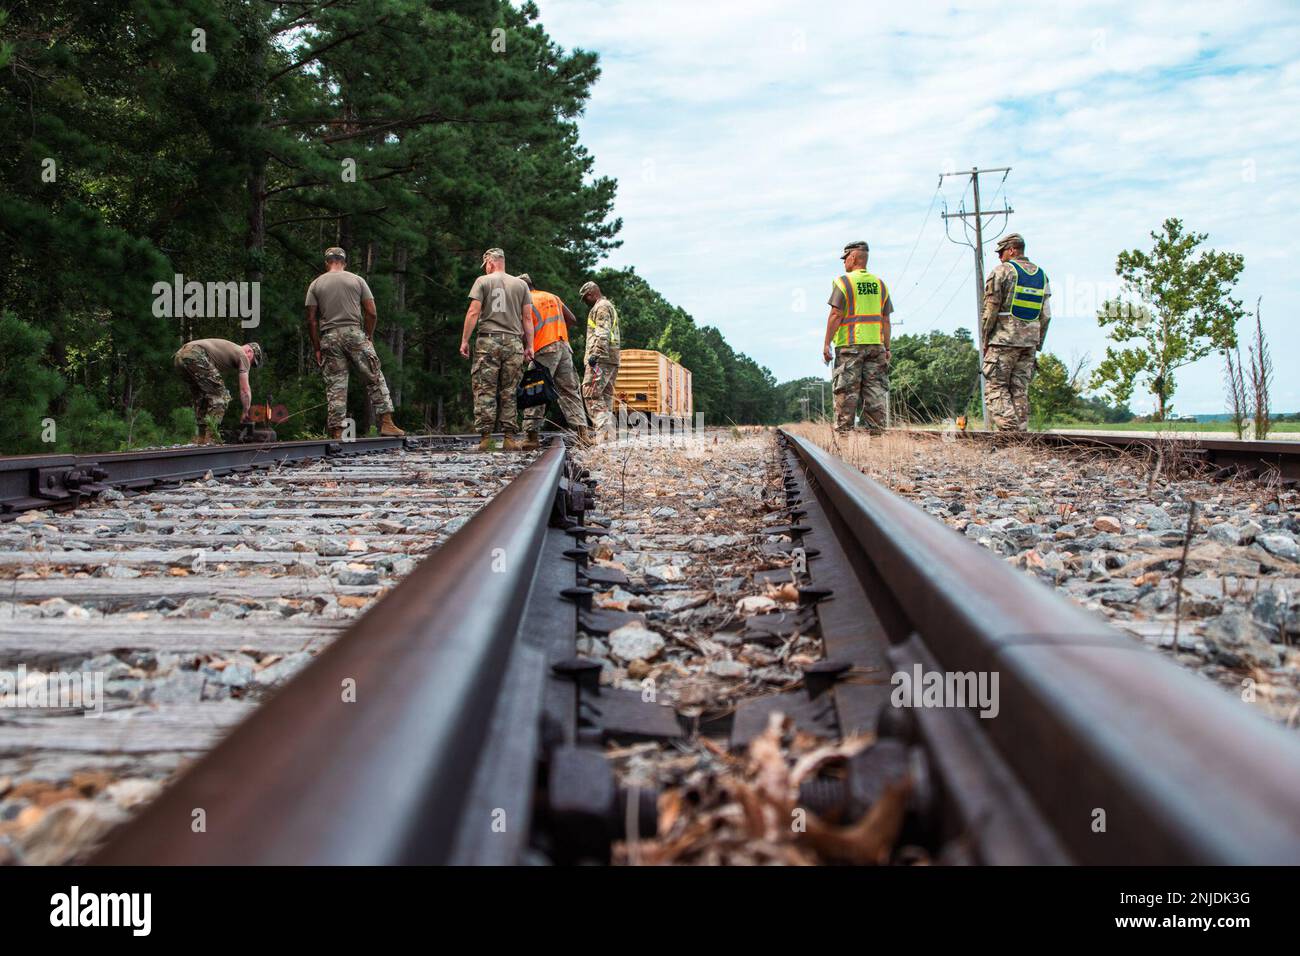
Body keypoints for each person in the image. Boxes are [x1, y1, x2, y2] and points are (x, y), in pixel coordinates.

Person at [305, 247, 404, 439]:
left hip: (329, 337)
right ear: (344, 262)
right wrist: (368, 334)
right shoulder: (357, 280)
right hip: (354, 333)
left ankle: (337, 431)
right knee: (374, 375)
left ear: (327, 263)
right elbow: (372, 312)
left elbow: (311, 319)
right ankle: (386, 423)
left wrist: (317, 347)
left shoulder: (315, 284)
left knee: (336, 385)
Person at [460, 248, 535, 451]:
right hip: (513, 343)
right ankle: (509, 438)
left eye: (485, 265)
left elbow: (473, 311)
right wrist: (530, 346)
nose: (485, 268)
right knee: (510, 391)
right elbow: (527, 318)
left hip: (488, 342)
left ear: (490, 262)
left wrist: (465, 340)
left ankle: (485, 439)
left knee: (485, 390)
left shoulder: (482, 282)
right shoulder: (521, 285)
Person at [980, 233, 1051, 431]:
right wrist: (1038, 342)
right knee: (1019, 388)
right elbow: (1046, 315)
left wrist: (986, 340)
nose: (999, 256)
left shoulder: (1002, 272)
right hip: (1029, 343)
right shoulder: (1041, 275)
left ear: (1011, 250)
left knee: (996, 386)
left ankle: (1009, 431)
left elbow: (990, 310)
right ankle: (1021, 433)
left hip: (1004, 340)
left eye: (1001, 252)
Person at [822, 240, 893, 435]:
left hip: (849, 347)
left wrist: (827, 343)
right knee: (875, 395)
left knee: (846, 394)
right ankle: (877, 442)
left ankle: (844, 441)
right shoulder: (880, 284)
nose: (844, 262)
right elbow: (886, 320)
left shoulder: (844, 282)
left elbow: (836, 315)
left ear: (853, 257)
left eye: (845, 258)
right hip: (876, 347)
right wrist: (887, 348)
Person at [517, 273, 593, 448]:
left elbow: (525, 328)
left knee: (535, 389)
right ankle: (583, 436)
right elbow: (572, 319)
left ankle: (531, 436)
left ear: (521, 288)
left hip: (544, 348)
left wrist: (526, 347)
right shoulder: (553, 297)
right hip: (563, 347)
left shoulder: (526, 301)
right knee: (570, 392)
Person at [173, 338, 264, 445]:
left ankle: (202, 439)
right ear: (249, 351)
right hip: (196, 354)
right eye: (252, 361)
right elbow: (245, 390)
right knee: (221, 396)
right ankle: (210, 438)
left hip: (179, 356)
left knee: (202, 397)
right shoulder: (243, 355)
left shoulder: (231, 348)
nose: (250, 364)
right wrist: (245, 411)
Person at [578, 280, 620, 438]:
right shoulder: (609, 306)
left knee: (590, 393)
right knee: (605, 395)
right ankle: (608, 435)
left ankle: (604, 432)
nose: (586, 302)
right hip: (612, 358)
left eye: (586, 298)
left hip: (601, 358)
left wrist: (595, 354)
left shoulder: (601, 307)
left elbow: (603, 331)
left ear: (591, 294)